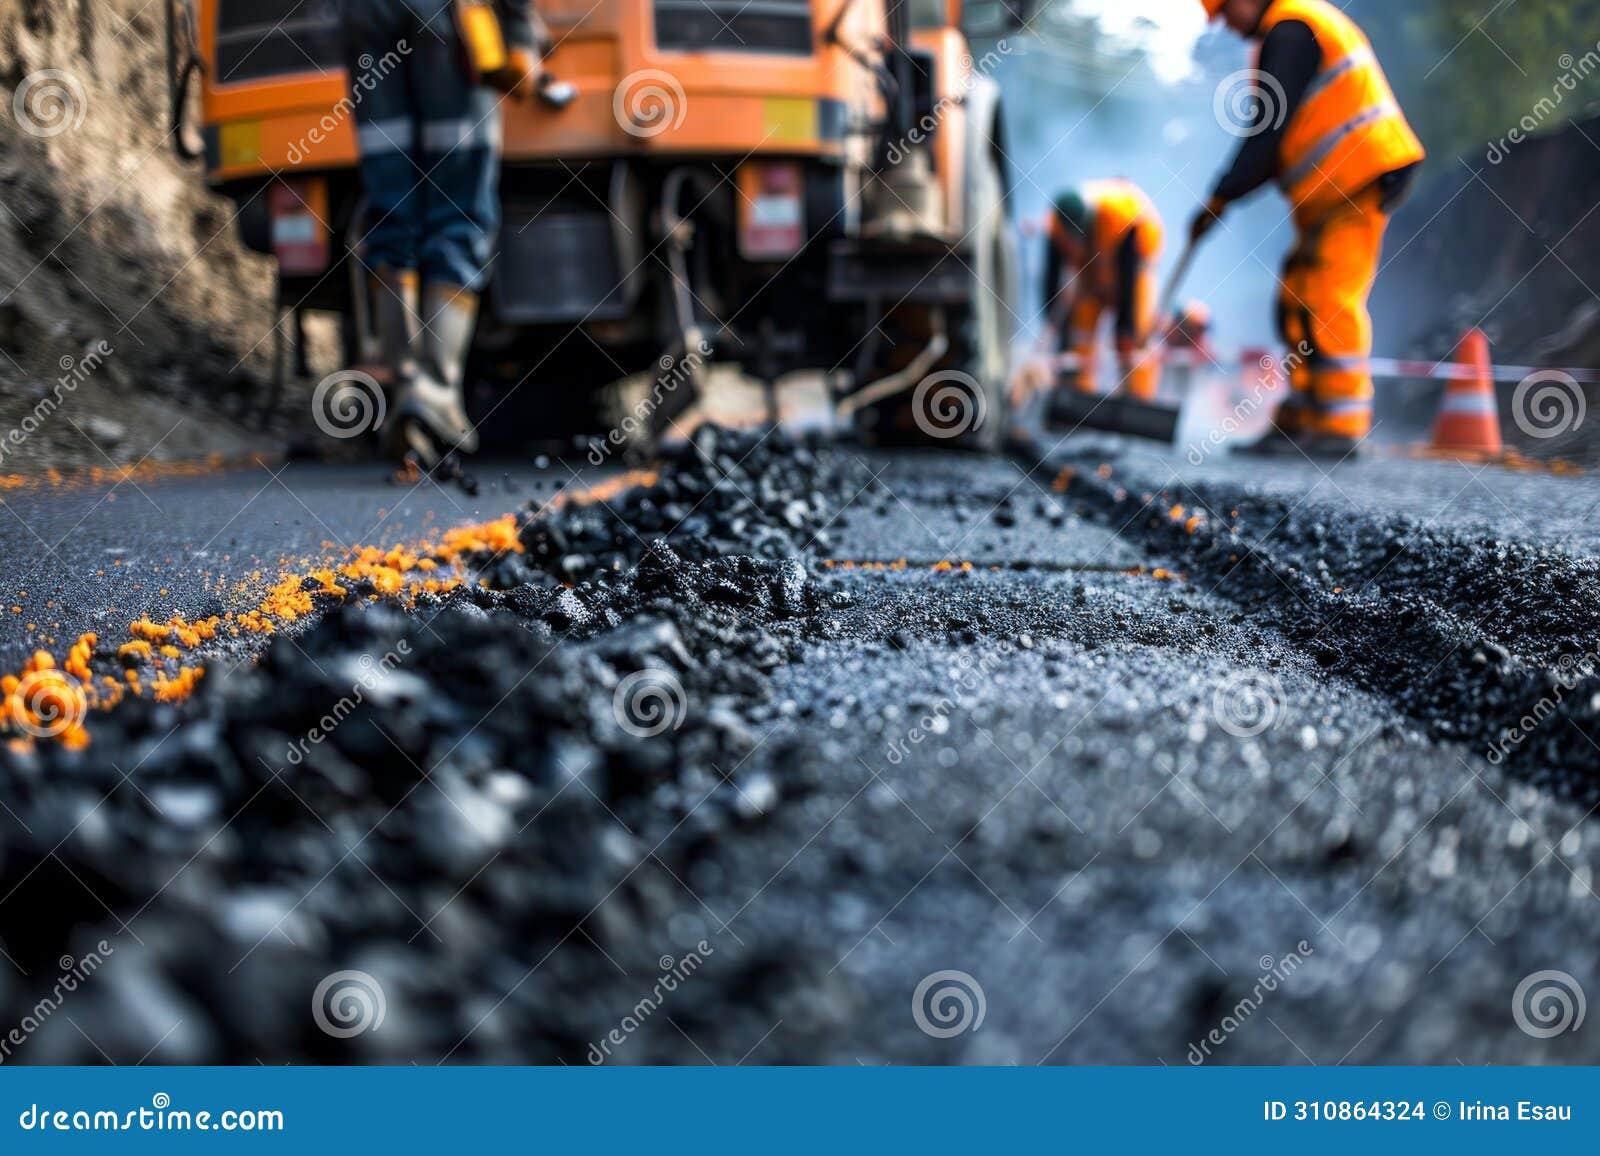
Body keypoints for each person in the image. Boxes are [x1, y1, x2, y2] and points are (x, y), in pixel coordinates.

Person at [1192, 0, 1424, 457]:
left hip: (1357, 175)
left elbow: (1264, 140)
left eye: (1224, 12)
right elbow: (1270, 142)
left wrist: (1220, 197)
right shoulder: (1285, 32)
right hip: (1331, 188)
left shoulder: (1293, 29)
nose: (1226, 26)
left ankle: (1338, 425)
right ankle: (1304, 415)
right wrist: (1221, 198)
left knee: (1326, 297)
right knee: (1296, 296)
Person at [343, 0, 551, 466]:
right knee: (459, 212)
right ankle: (432, 392)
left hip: (363, 20)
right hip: (447, 21)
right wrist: (518, 36)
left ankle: (404, 387)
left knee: (393, 213)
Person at [1041, 178, 1164, 403]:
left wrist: (1125, 327)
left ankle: (1137, 401)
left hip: (1132, 277)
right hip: (1090, 279)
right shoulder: (1057, 226)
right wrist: (1054, 321)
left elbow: (1129, 271)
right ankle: (1075, 398)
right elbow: (1051, 275)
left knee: (1134, 340)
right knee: (1080, 336)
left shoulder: (1120, 217)